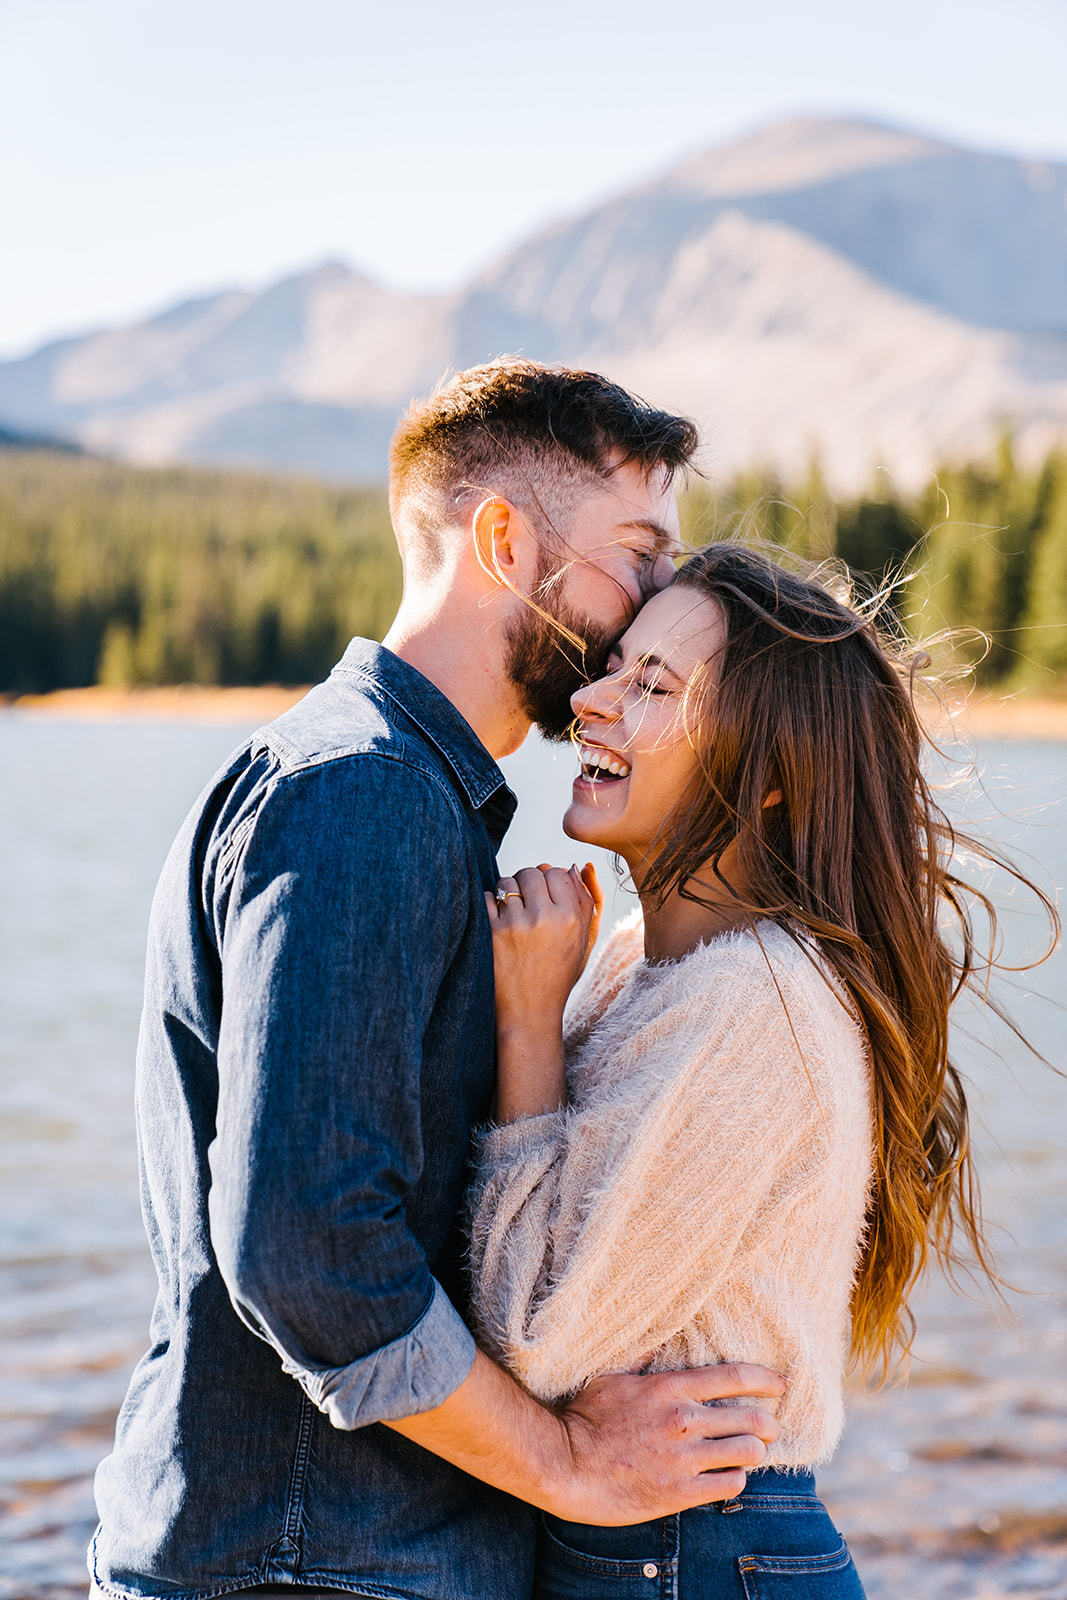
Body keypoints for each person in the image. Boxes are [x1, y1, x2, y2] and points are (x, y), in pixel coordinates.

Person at [89, 363, 784, 1600]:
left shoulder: (378, 784)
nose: (650, 606)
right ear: (507, 544)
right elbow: (307, 1245)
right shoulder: (368, 793)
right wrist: (569, 1464)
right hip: (318, 1567)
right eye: (636, 551)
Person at [468, 543, 1058, 1598]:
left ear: (771, 775)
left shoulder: (753, 1004)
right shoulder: (639, 969)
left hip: (697, 1554)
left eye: (650, 685)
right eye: (613, 664)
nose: (588, 703)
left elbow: (534, 1335)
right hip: (673, 1549)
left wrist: (524, 1024)